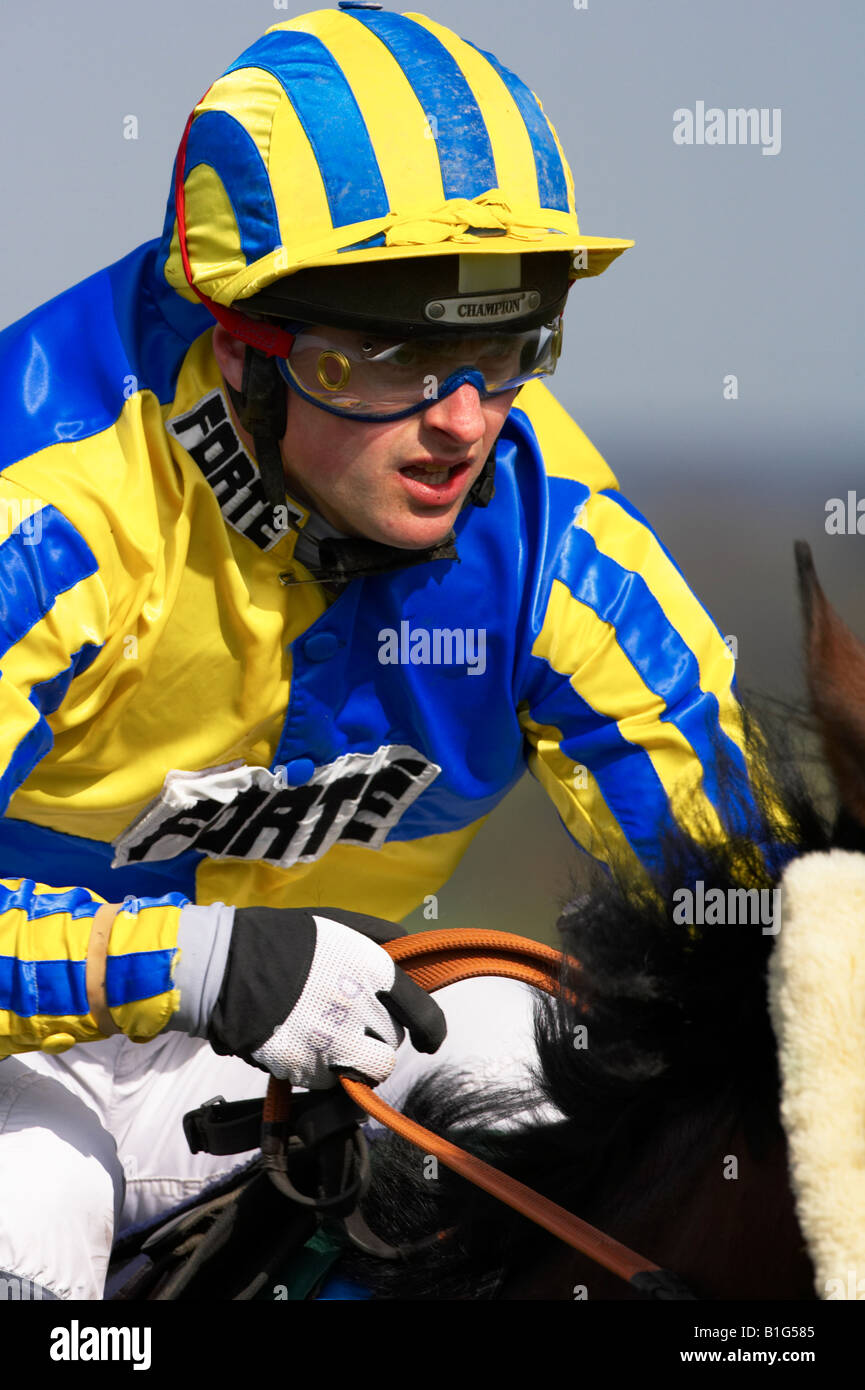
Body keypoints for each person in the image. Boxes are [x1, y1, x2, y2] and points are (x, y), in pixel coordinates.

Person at [0, 4, 770, 1300]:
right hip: (24, 1069)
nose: (460, 424)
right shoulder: (47, 517)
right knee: (32, 1209)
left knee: (535, 1069)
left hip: (299, 1040)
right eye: (389, 358)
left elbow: (749, 905)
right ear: (239, 343)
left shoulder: (550, 550)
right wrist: (183, 963)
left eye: (498, 345)